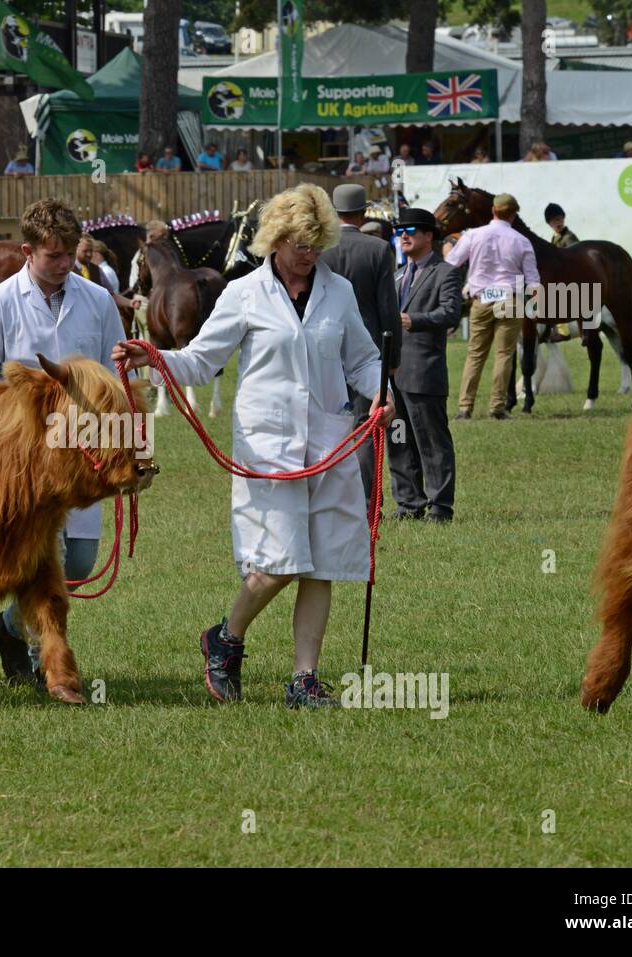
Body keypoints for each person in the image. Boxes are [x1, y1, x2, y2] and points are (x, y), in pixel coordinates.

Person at [113, 184, 394, 710]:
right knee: (281, 560)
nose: (308, 255)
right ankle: (227, 635)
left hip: (329, 441)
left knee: (322, 562)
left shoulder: (339, 292)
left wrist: (381, 392)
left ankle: (303, 680)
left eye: (316, 243)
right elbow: (201, 361)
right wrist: (154, 358)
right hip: (268, 447)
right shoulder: (243, 293)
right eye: (298, 244)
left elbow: (361, 359)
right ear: (275, 239)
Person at [0, 198, 128, 687]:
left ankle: (8, 627)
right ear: (26, 251)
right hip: (22, 460)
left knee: (77, 563)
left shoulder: (96, 301)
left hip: (86, 456)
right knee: (38, 559)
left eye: (70, 253)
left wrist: (127, 449)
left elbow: (115, 377)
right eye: (53, 256)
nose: (64, 264)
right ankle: (43, 659)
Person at [321, 183, 401, 504]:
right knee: (365, 427)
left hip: (325, 349)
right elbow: (388, 308)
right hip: (368, 349)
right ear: (363, 211)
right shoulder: (378, 250)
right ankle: (368, 501)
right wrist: (392, 358)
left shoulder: (318, 249)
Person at [388, 208, 462, 523]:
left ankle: (441, 506)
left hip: (424, 370)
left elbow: (450, 313)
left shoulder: (445, 272)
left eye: (412, 230)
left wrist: (413, 320)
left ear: (428, 236)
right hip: (393, 373)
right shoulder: (397, 274)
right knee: (398, 439)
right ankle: (408, 503)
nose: (404, 235)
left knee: (432, 441)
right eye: (400, 230)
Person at [445, 192, 539, 421]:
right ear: (513, 215)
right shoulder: (522, 241)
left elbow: (451, 263)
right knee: (504, 354)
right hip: (510, 299)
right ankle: (497, 407)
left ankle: (464, 408)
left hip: (481, 299)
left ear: (493, 211)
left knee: (475, 354)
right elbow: (533, 282)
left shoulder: (473, 235)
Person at [128, 219, 168, 292]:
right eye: (162, 237)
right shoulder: (144, 255)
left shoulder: (163, 252)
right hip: (145, 296)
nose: (164, 240)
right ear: (151, 236)